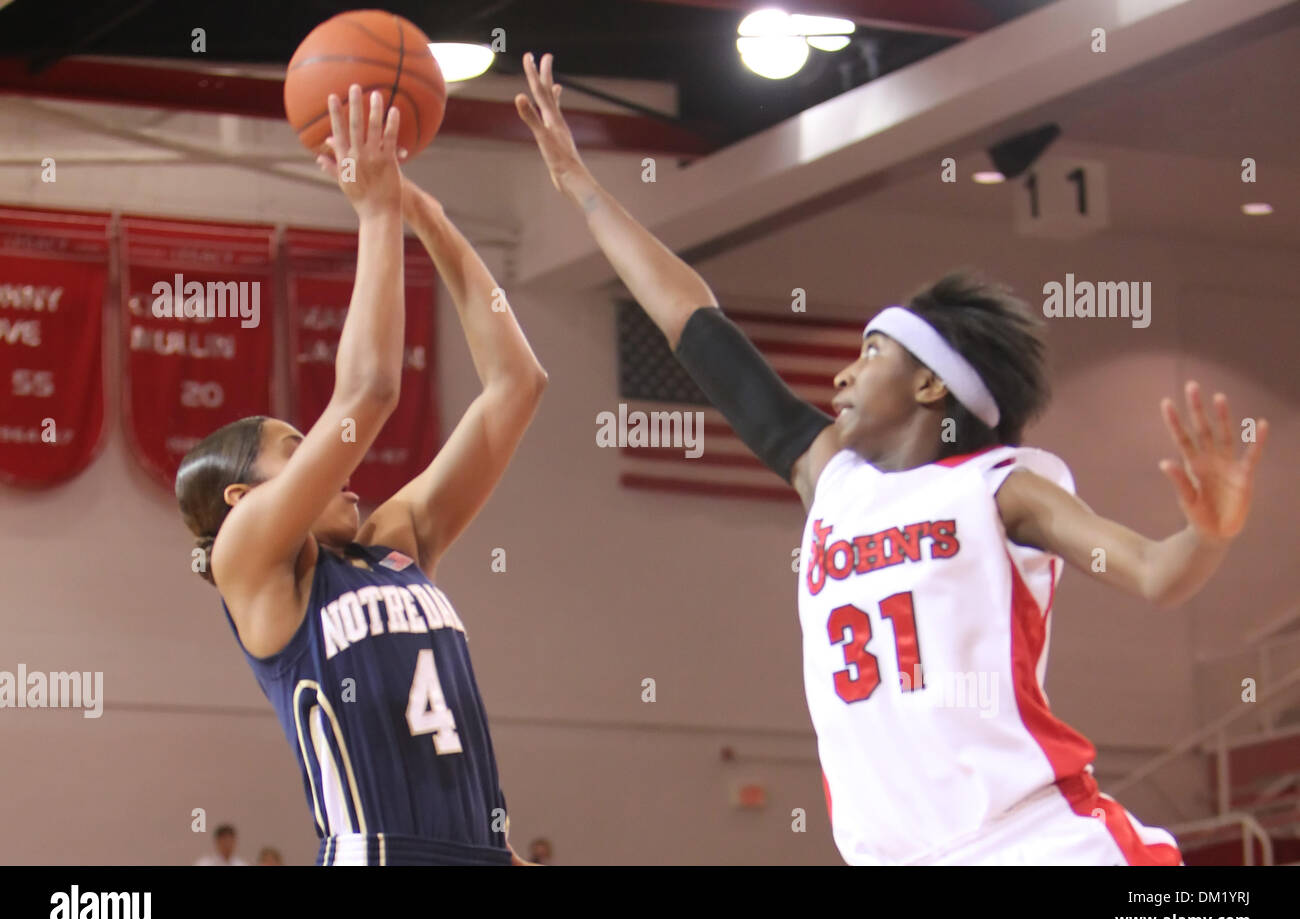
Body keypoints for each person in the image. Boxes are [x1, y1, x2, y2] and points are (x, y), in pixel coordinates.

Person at [515, 52, 1270, 865]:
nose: (842, 371)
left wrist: (1211, 534)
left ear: (931, 386)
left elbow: (1155, 573)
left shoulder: (1002, 489)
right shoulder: (832, 479)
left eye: (871, 351)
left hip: (1035, 842)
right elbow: (695, 325)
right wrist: (584, 191)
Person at [176, 87, 547, 866]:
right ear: (244, 497)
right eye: (295, 447)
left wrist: (430, 221)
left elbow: (517, 383)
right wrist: (376, 216)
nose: (331, 463)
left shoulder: (395, 542)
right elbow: (371, 392)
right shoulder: (248, 559)